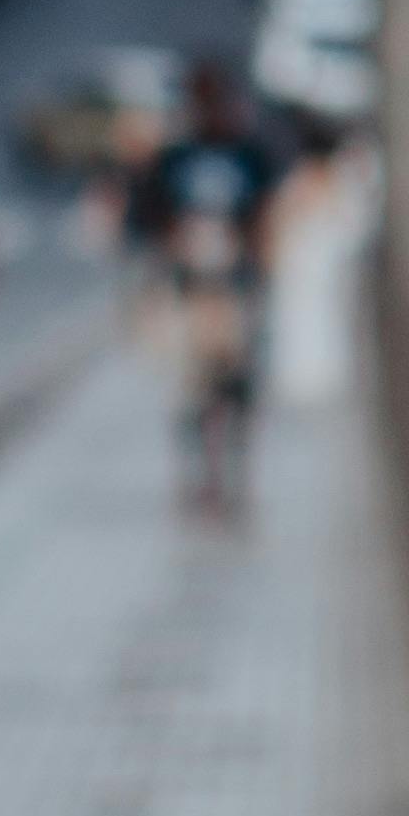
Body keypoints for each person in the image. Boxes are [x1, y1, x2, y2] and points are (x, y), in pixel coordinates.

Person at [124, 62, 275, 518]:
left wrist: (249, 253)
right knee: (193, 391)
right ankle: (201, 476)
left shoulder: (248, 155)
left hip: (235, 287)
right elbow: (144, 218)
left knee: (236, 388)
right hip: (188, 290)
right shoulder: (174, 158)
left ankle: (230, 474)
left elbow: (266, 214)